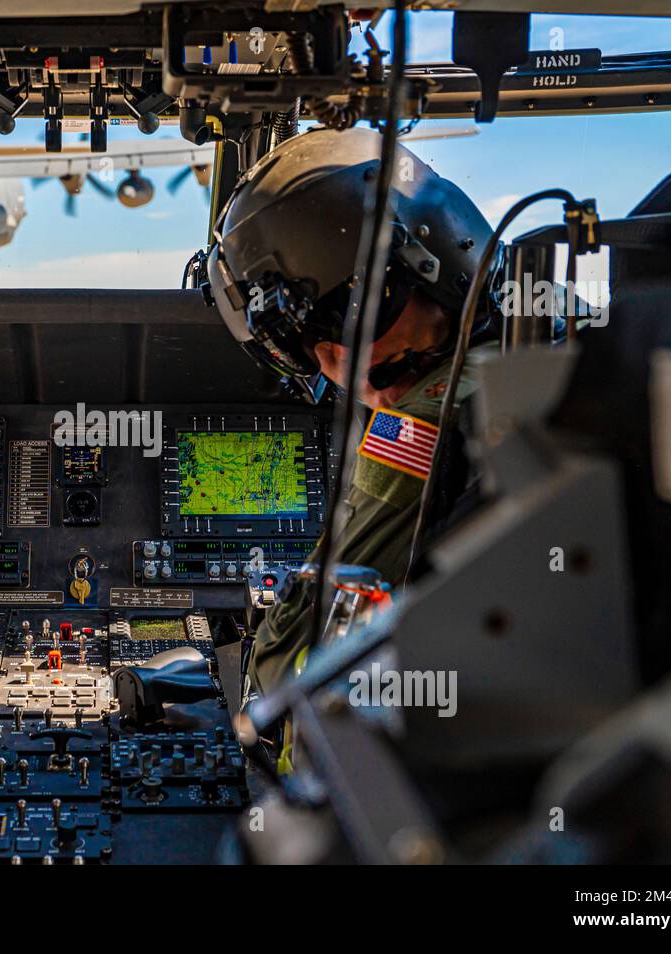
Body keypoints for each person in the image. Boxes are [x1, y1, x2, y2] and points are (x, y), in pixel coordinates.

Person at [205, 126, 496, 693]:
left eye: (345, 322)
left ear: (421, 268)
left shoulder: (420, 422)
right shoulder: (566, 331)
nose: (335, 369)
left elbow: (290, 668)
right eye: (305, 348)